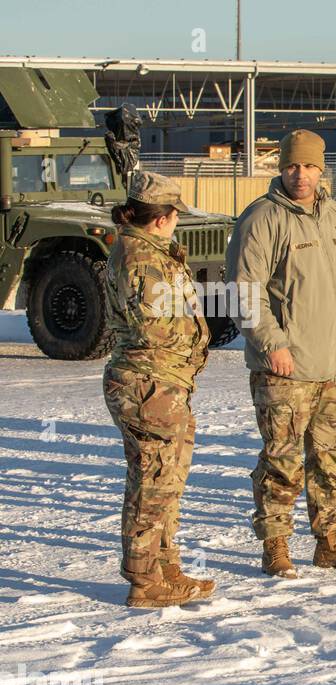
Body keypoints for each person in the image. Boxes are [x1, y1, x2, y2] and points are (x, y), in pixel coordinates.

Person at [227, 129, 336, 577]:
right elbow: (243, 291)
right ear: (281, 168)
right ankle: (276, 546)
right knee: (282, 462)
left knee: (331, 460)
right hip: (285, 368)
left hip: (334, 365)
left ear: (321, 169)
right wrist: (272, 344)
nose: (301, 175)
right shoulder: (263, 218)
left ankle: (329, 542)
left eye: (310, 166)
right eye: (293, 166)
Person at [103, 171, 213, 607]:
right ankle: (145, 580)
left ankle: (166, 567)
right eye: (174, 216)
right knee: (152, 482)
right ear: (162, 218)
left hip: (163, 381)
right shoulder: (142, 259)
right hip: (151, 382)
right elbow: (156, 327)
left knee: (165, 478)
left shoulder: (147, 251)